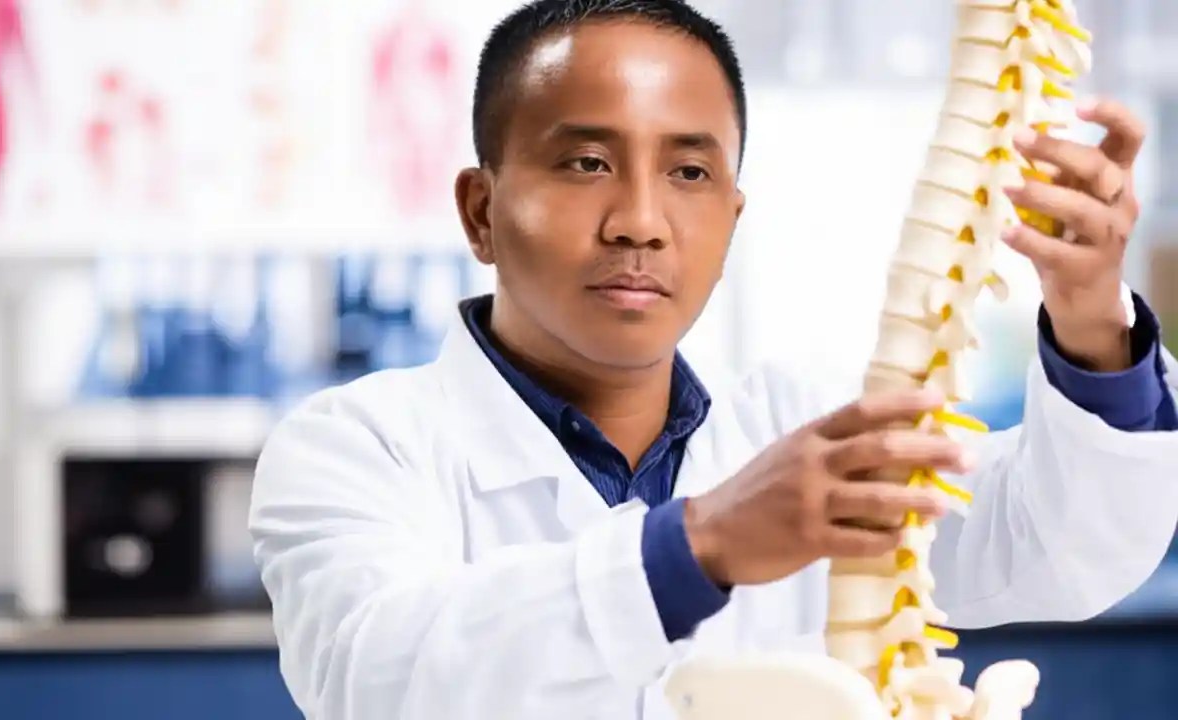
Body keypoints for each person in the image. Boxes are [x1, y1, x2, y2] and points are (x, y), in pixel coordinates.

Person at [249, 1, 1178, 718]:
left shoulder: (800, 428)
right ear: (481, 211)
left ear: (732, 217)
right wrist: (699, 547)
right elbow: (377, 678)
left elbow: (1062, 546)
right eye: (585, 164)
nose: (641, 223)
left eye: (689, 173)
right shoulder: (354, 449)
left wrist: (1091, 311)